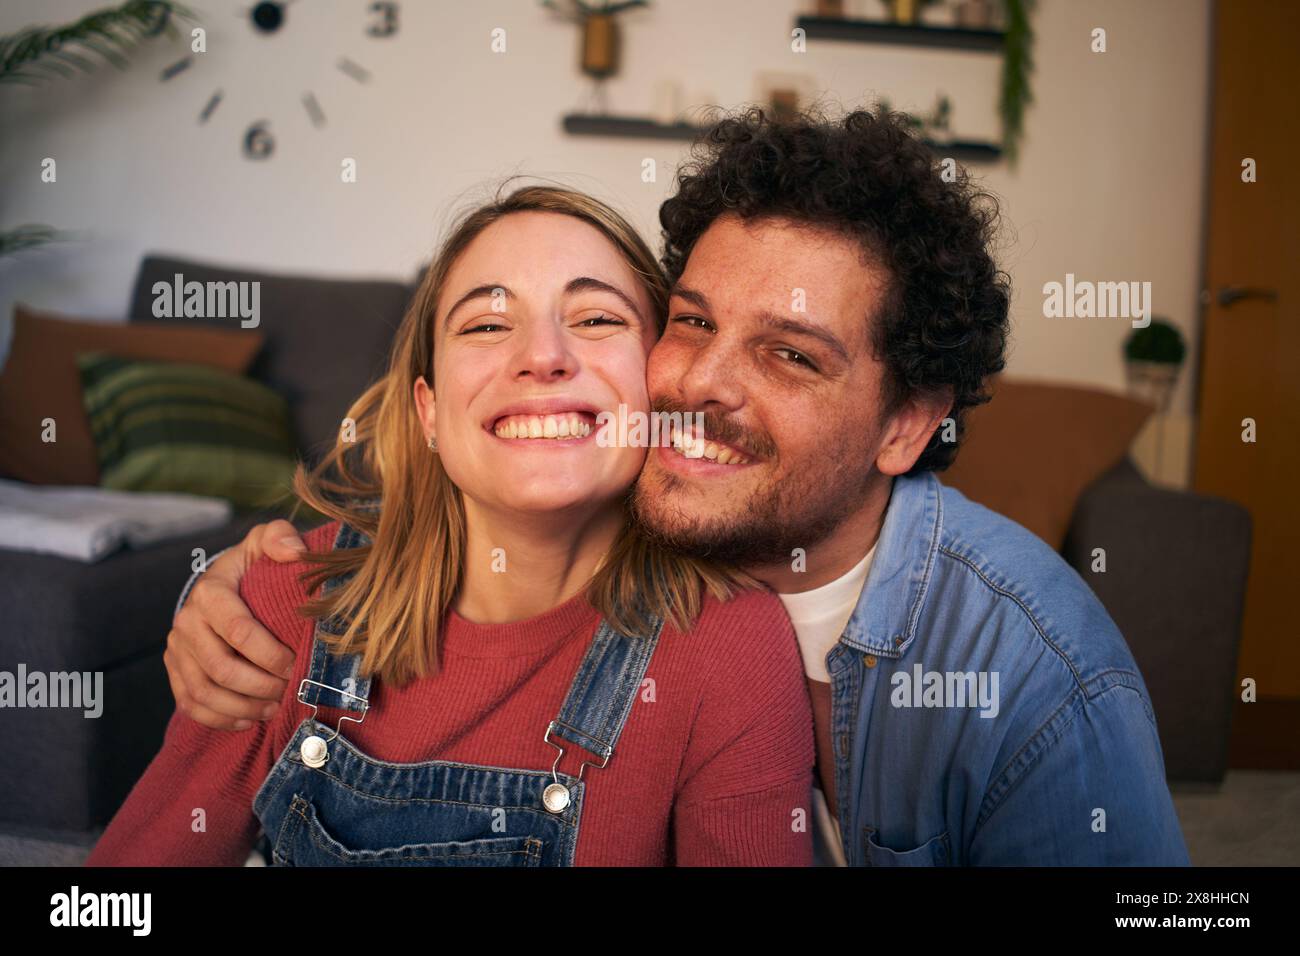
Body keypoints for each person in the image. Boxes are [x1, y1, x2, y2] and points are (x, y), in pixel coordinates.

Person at [154, 108, 1190, 865]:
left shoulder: (1039, 680)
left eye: (790, 356)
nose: (697, 384)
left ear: (907, 422)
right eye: (690, 321)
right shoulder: (317, 594)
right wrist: (235, 584)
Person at [87, 185, 814, 867]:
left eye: (596, 319)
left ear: (658, 382)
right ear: (430, 412)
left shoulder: (730, 649)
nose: (543, 358)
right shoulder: (285, 603)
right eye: (488, 324)